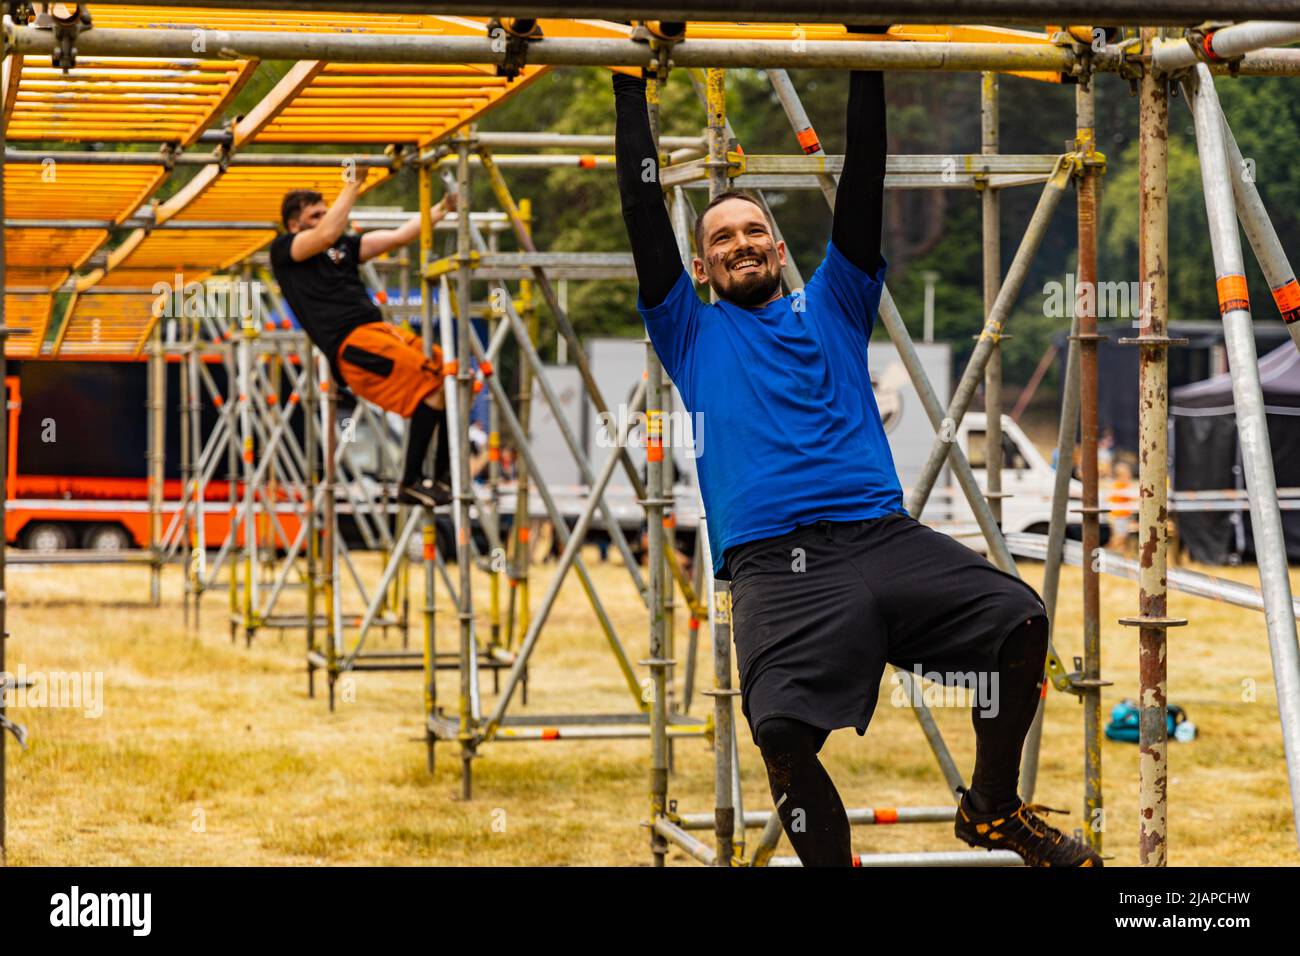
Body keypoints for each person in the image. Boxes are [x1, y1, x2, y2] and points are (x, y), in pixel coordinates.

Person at [614, 63, 1102, 867]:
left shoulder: (835, 300)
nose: (739, 244)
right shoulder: (688, 331)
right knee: (779, 731)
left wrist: (868, 57)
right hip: (774, 562)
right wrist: (632, 91)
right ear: (700, 268)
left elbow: (863, 173)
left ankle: (992, 809)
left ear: (778, 246)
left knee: (1020, 621)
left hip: (880, 537)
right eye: (720, 238)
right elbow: (640, 206)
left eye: (752, 232)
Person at [270, 177, 455, 508]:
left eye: (326, 212)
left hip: (379, 332)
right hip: (352, 344)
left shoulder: (341, 248)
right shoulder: (286, 250)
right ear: (294, 223)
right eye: (316, 215)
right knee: (428, 380)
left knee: (448, 372)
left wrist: (442, 209)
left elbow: (398, 236)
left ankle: (443, 477)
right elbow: (325, 233)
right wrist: (353, 184)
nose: (326, 220)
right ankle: (410, 482)